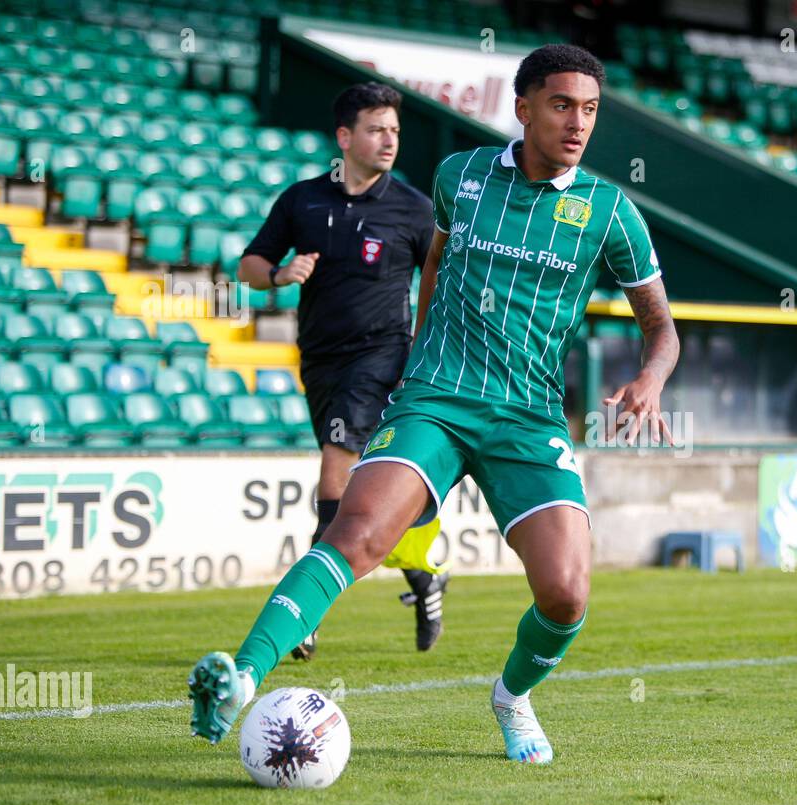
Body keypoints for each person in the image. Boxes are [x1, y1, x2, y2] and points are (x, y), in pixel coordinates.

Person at [188, 44, 680, 764]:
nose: (578, 123)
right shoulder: (462, 177)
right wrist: (420, 354)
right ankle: (241, 677)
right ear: (523, 108)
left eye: (590, 109)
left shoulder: (610, 212)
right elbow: (437, 264)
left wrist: (651, 379)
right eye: (562, 105)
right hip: (436, 399)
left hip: (529, 417)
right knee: (354, 534)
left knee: (568, 594)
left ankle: (512, 697)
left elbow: (661, 328)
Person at [236, 82, 450, 660]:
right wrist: (279, 275)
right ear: (344, 137)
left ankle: (303, 616)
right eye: (378, 129)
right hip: (319, 359)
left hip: (382, 356)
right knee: (362, 494)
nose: (389, 140)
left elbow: (441, 280)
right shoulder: (302, 200)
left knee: (335, 477)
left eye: (396, 131)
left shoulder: (413, 208)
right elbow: (248, 266)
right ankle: (424, 576)